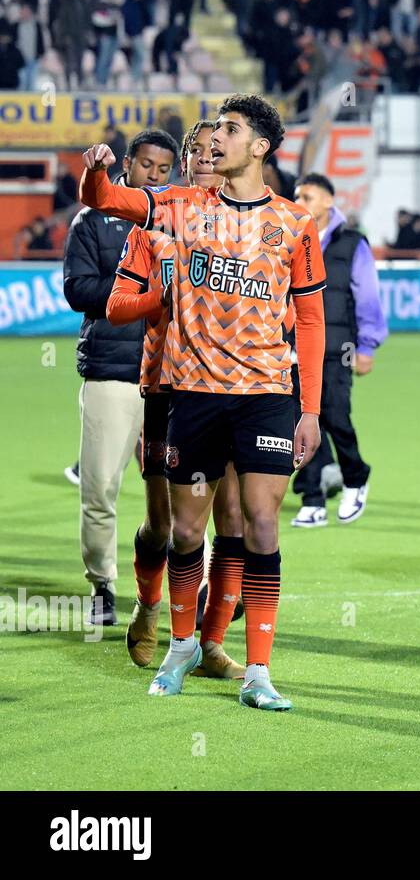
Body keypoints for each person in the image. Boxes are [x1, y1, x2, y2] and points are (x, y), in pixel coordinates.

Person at [78, 92, 325, 711]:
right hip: (190, 391)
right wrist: (95, 170)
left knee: (258, 524)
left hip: (267, 392)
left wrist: (312, 409)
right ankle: (182, 642)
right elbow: (106, 200)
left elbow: (313, 319)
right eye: (211, 129)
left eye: (229, 129)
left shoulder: (296, 224)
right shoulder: (180, 207)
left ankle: (259, 670)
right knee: (186, 529)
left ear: (260, 147)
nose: (214, 138)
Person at [106, 119, 247, 678]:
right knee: (165, 526)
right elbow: (117, 305)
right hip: (167, 388)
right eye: (197, 152)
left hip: (235, 388)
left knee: (232, 521)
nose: (206, 160)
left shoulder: (253, 222)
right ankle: (147, 606)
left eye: (217, 151)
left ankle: (210, 646)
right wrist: (163, 295)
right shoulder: (155, 226)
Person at [63, 128, 179, 627]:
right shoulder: (92, 220)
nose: (154, 175)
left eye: (163, 169)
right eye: (146, 165)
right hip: (113, 370)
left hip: (174, 376)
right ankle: (102, 585)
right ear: (127, 164)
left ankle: (181, 590)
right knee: (101, 487)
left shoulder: (181, 219)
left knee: (183, 490)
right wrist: (139, 287)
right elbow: (78, 289)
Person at [290, 173, 388, 527]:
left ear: (329, 201)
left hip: (336, 348)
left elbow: (368, 298)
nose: (300, 203)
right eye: (297, 196)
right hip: (292, 348)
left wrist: (367, 346)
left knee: (333, 416)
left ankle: (356, 476)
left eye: (308, 197)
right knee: (298, 423)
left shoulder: (351, 244)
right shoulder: (286, 239)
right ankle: (312, 498)